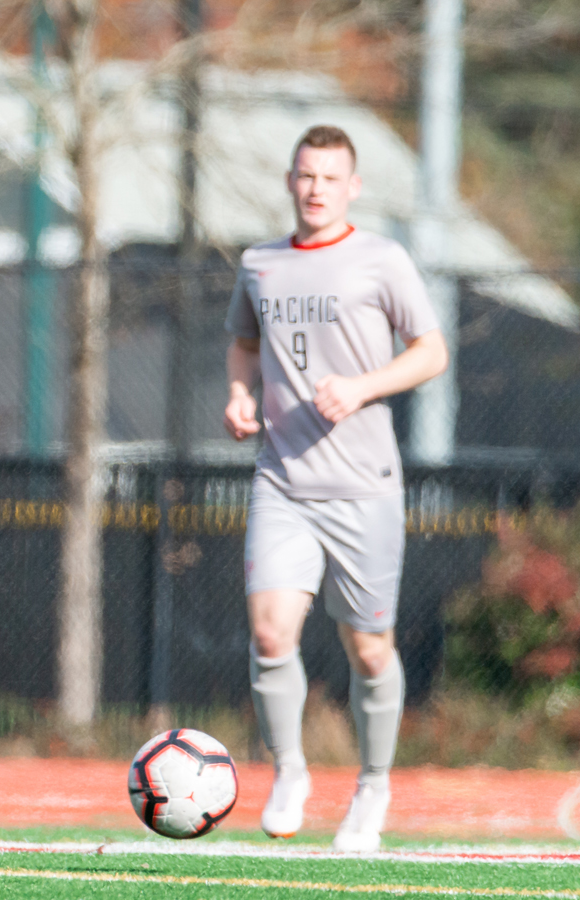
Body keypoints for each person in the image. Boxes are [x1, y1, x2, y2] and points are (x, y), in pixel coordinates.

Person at [224, 125, 449, 852]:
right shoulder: (260, 263)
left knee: (370, 650)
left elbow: (431, 352)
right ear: (290, 181)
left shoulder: (381, 259)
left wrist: (362, 386)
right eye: (305, 175)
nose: (315, 188)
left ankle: (372, 785)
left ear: (352, 187)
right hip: (282, 479)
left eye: (329, 177)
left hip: (364, 488)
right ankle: (290, 770)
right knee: (270, 633)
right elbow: (243, 344)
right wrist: (239, 395)